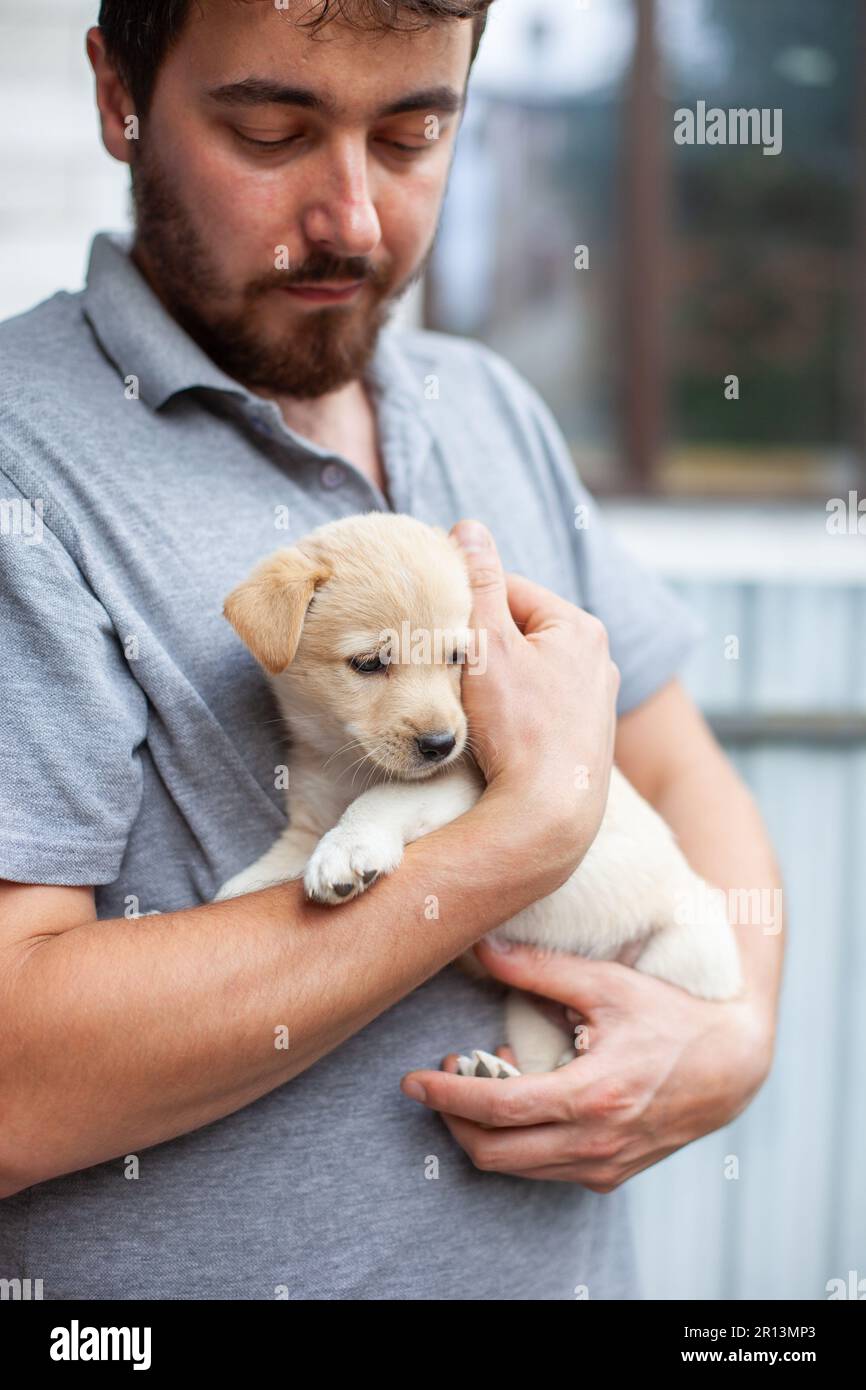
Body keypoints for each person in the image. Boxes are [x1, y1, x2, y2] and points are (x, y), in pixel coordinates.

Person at [0, 0, 783, 1300]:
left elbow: (685, 774)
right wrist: (510, 838)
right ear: (116, 92)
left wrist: (731, 1027)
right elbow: (13, 1083)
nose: (352, 219)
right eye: (271, 130)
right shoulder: (23, 462)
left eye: (416, 133)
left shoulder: (484, 405)